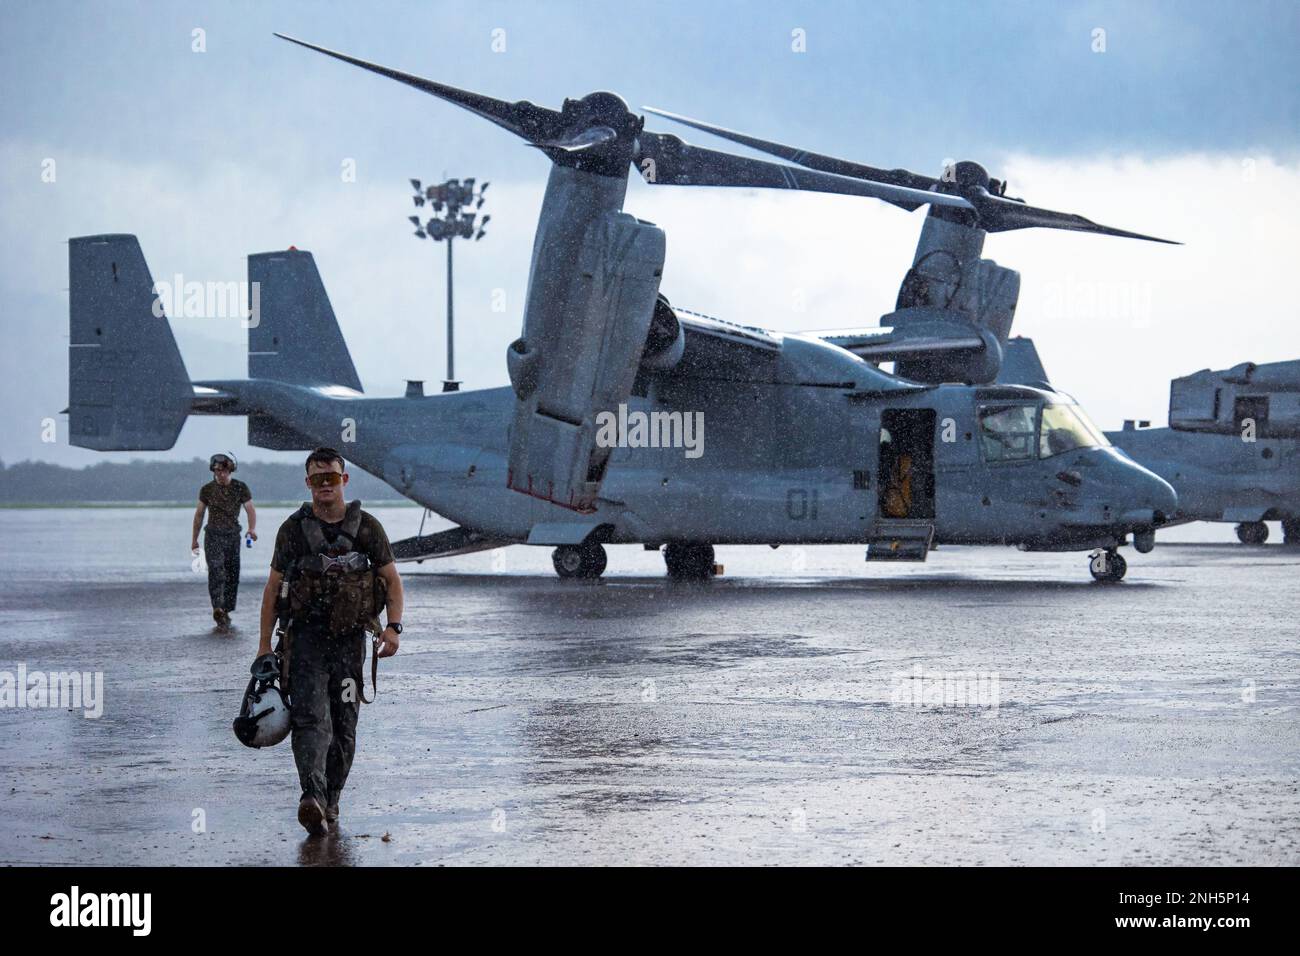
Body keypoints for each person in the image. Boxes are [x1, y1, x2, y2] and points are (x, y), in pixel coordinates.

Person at [257, 447, 404, 836]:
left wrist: (394, 628)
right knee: (310, 720)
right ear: (308, 483)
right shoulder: (292, 530)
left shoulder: (368, 528)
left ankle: (331, 800)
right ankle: (312, 797)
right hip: (304, 643)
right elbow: (272, 590)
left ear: (344, 480)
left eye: (331, 478)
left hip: (349, 645)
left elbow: (391, 580)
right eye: (317, 478)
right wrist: (261, 646)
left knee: (344, 726)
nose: (325, 485)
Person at [192, 452, 256, 631]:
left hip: (233, 536)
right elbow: (199, 515)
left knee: (232, 573)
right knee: (216, 570)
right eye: (217, 470)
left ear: (231, 470)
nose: (220, 474)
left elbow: (250, 509)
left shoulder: (240, 488)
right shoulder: (207, 490)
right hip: (213, 535)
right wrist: (194, 540)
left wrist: (252, 529)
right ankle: (217, 607)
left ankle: (226, 610)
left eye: (223, 470)